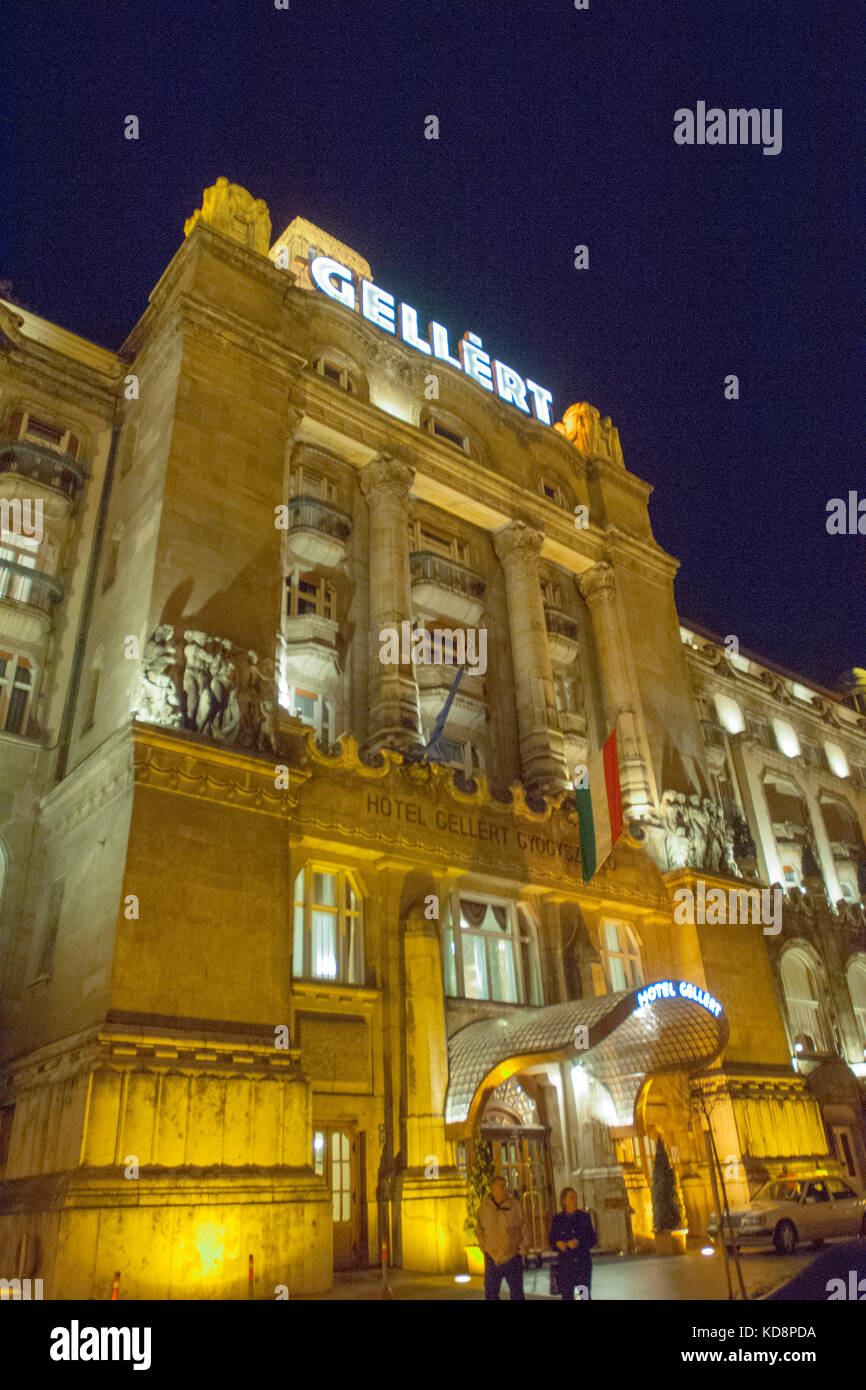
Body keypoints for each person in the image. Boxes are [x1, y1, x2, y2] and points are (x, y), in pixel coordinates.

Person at [475, 1175, 526, 1300]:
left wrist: (522, 1248)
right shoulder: (484, 1208)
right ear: (493, 1189)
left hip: (512, 1256)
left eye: (505, 1186)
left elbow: (524, 1227)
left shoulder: (514, 1206)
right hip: (492, 1258)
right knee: (491, 1294)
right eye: (501, 1187)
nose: (504, 1190)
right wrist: (485, 1247)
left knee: (517, 1294)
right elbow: (478, 1230)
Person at [548, 1188, 597, 1300]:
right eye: (571, 1198)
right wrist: (557, 1244)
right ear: (564, 1201)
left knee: (584, 1295)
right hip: (566, 1266)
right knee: (567, 1296)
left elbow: (593, 1239)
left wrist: (578, 1242)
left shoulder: (584, 1217)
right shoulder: (558, 1219)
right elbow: (551, 1240)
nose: (574, 1201)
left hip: (582, 1265)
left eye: (576, 1197)